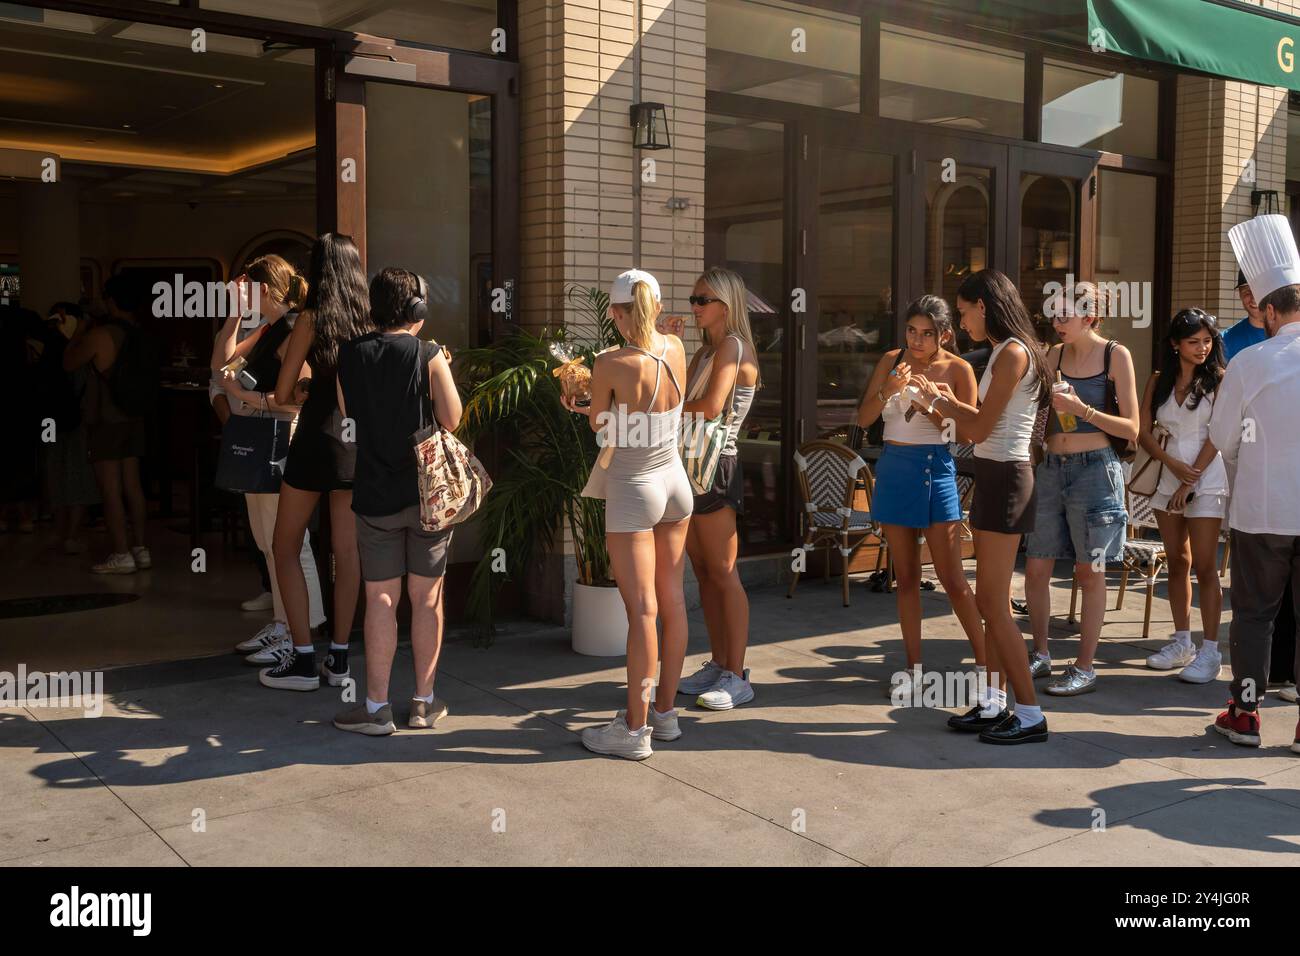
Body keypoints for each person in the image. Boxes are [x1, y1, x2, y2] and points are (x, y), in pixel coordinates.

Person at [912, 269, 1051, 744]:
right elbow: (978, 424)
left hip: (1007, 477)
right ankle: (994, 703)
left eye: (965, 309)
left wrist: (942, 401)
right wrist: (943, 403)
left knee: (992, 600)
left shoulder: (1012, 352)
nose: (962, 320)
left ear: (984, 306)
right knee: (990, 599)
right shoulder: (1007, 351)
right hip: (999, 475)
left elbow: (977, 429)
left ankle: (1029, 714)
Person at [564, 269, 692, 760]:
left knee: (640, 611)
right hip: (675, 484)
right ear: (656, 306)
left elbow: (601, 423)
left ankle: (633, 732)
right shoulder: (676, 348)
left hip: (635, 487)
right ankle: (663, 715)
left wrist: (577, 404)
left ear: (617, 313)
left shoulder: (610, 362)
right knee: (672, 601)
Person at [331, 268, 462, 735]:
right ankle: (423, 704)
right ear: (416, 309)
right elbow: (452, 418)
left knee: (380, 598)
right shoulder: (428, 354)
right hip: (427, 495)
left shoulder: (349, 354)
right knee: (427, 598)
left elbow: (349, 414)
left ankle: (375, 709)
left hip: (375, 494)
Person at [853, 295, 985, 696]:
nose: (918, 339)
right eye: (912, 330)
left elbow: (968, 434)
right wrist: (889, 389)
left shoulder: (959, 368)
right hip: (893, 468)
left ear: (945, 333)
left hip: (936, 468)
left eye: (928, 333)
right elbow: (862, 420)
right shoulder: (892, 359)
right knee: (906, 578)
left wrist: (930, 403)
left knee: (953, 579)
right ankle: (913, 671)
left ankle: (985, 665)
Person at [260, 234, 373, 691]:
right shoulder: (370, 320)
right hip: (354, 445)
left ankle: (304, 658)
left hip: (314, 441)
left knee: (284, 546)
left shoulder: (311, 318)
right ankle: (340, 658)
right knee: (347, 554)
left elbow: (284, 393)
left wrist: (307, 391)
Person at [1207, 214, 1300, 752]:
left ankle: (1245, 713)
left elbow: (1223, 437)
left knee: (1254, 616)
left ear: (1268, 309)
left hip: (1262, 513)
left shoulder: (1250, 361)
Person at [209, 256, 327, 666]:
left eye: (247, 288)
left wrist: (247, 399)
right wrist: (233, 315)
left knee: (289, 543)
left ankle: (302, 631)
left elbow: (300, 394)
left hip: (281, 438)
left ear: (264, 288)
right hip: (261, 437)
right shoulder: (267, 327)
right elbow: (221, 366)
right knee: (267, 540)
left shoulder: (294, 327)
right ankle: (283, 622)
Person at [1023, 282, 1139, 696]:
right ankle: (1040, 653)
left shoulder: (1115, 355)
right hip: (1052, 466)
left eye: (1064, 315)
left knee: (1090, 571)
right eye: (1053, 315)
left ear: (1089, 317)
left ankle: (1085, 665)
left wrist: (1084, 410)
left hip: (1095, 467)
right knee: (1036, 565)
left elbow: (1133, 429)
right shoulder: (1051, 355)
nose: (1057, 323)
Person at [676, 267, 760, 710]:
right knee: (705, 570)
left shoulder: (732, 345)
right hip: (691, 463)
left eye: (702, 299)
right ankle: (720, 662)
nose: (694, 307)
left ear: (726, 305)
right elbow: (679, 395)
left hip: (715, 464)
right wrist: (669, 345)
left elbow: (708, 408)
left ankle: (737, 673)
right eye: (693, 299)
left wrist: (659, 410)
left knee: (725, 572)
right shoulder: (707, 351)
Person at [1140, 309, 1228, 683]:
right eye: (1194, 341)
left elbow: (1219, 434)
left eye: (1207, 341)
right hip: (1167, 477)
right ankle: (1181, 642)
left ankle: (1211, 651)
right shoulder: (1159, 380)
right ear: (1175, 344)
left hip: (1206, 479)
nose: (1202, 348)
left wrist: (1187, 481)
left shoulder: (1219, 380)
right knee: (1177, 562)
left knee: (1207, 567)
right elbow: (1142, 430)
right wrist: (1171, 466)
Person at [62, 275, 153, 574]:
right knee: (133, 485)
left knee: (110, 489)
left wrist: (80, 330)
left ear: (111, 300)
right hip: (134, 417)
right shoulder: (140, 332)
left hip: (106, 420)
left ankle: (120, 552)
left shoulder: (103, 334)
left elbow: (69, 362)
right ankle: (140, 549)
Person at [40, 303, 99, 554]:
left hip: (48, 419)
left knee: (53, 471)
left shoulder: (45, 347)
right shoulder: (79, 352)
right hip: (77, 420)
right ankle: (72, 534)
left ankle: (59, 530)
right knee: (79, 474)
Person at [1222, 270, 1268, 362]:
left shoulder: (1290, 334)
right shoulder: (1225, 340)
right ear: (1240, 294)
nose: (1253, 299)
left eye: (1258, 290)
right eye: (1247, 292)